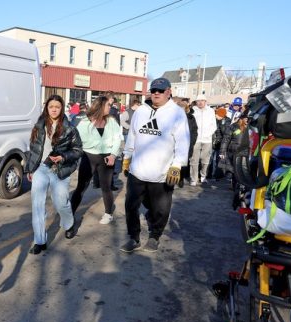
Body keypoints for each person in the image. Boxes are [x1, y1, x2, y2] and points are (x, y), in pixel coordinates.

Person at [120, 77, 190, 253]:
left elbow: (183, 141)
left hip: (162, 172)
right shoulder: (141, 111)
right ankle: (134, 237)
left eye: (160, 90)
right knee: (130, 206)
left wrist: (177, 165)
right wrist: (127, 157)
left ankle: (154, 236)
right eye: (153, 90)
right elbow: (132, 135)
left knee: (160, 208)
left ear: (169, 92)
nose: (156, 93)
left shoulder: (176, 113)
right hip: (138, 170)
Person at [25, 94, 82, 254]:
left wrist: (63, 157)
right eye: (51, 107)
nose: (54, 109)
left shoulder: (70, 128)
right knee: (37, 205)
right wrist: (30, 168)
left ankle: (69, 224)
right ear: (47, 108)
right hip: (40, 169)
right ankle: (40, 241)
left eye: (57, 107)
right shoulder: (39, 126)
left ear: (62, 108)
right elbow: (33, 149)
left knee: (61, 203)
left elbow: (78, 150)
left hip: (59, 169)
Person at [71, 95, 123, 224]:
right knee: (81, 187)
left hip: (107, 158)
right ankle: (70, 214)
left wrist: (113, 155)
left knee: (106, 187)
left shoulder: (111, 121)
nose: (110, 107)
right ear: (100, 106)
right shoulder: (84, 123)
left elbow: (118, 138)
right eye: (108, 105)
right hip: (89, 157)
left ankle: (108, 213)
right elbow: (77, 141)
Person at [190, 94, 217, 186]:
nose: (200, 102)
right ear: (196, 102)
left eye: (202, 100)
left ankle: (203, 176)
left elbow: (214, 125)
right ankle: (194, 179)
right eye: (198, 101)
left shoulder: (210, 111)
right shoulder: (193, 110)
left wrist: (208, 134)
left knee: (205, 160)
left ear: (205, 102)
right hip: (196, 139)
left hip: (207, 139)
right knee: (194, 160)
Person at [211, 107, 230, 179]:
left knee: (220, 159)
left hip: (222, 143)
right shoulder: (218, 120)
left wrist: (219, 140)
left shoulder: (226, 121)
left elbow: (225, 134)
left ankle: (219, 175)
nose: (215, 115)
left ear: (221, 115)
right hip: (218, 142)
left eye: (217, 114)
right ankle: (217, 174)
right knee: (216, 159)